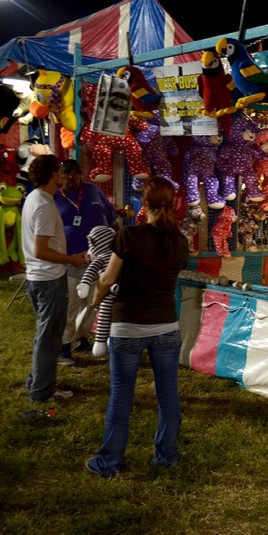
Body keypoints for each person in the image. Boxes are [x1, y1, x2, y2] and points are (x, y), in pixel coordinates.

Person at [86, 176, 189, 477]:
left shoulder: (128, 235)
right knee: (168, 395)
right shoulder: (180, 242)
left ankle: (108, 462)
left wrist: (95, 299)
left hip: (128, 327)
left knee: (121, 396)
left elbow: (107, 279)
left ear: (145, 204)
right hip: (166, 327)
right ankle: (166, 456)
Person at [20, 155, 89, 403]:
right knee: (49, 338)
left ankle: (38, 381)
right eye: (59, 171)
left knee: (45, 335)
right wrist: (71, 259)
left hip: (39, 277)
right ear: (51, 175)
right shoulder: (45, 205)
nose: (62, 175)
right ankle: (42, 391)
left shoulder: (35, 199)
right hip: (48, 279)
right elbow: (41, 250)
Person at [53, 158, 120, 365]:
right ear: (60, 176)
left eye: (74, 173)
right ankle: (64, 345)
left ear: (81, 174)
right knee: (72, 304)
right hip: (73, 261)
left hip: (100, 260)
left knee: (93, 302)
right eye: (66, 173)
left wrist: (119, 247)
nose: (70, 177)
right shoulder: (54, 197)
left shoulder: (93, 191)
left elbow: (113, 219)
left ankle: (81, 337)